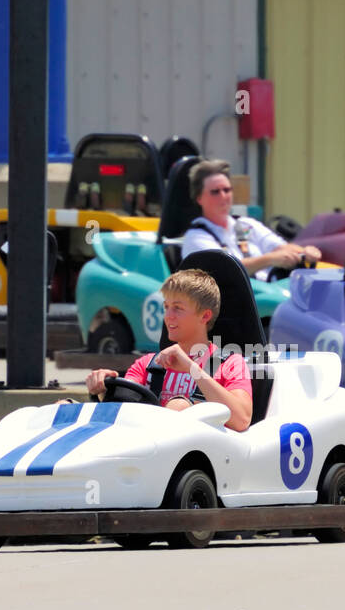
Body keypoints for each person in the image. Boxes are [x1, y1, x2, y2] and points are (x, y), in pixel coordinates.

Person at [84, 269, 253, 432]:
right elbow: (125, 410)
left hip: (202, 454)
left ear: (205, 316)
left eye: (178, 308)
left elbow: (241, 420)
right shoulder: (147, 364)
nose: (168, 316)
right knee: (65, 404)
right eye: (166, 307)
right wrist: (103, 389)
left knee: (179, 406)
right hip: (151, 450)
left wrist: (192, 368)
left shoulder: (231, 363)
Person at [180, 159, 321, 280]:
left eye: (227, 190)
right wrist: (271, 259)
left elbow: (280, 247)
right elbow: (226, 271)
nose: (223, 196)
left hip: (268, 294)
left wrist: (305, 252)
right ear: (199, 198)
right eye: (215, 192)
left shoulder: (246, 225)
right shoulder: (196, 238)